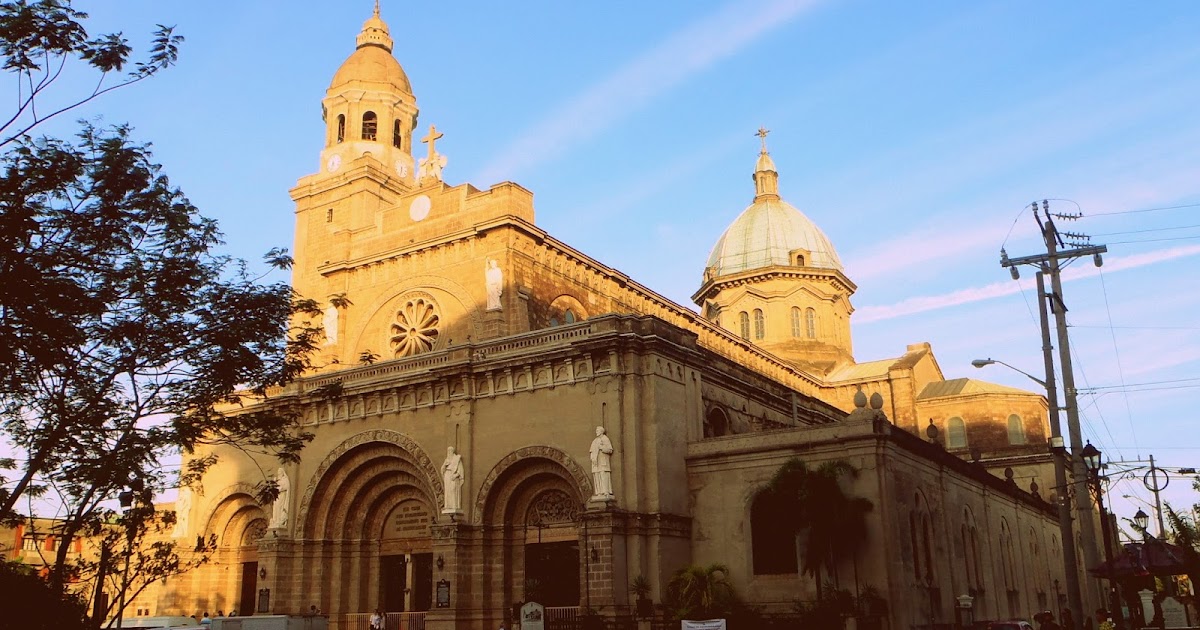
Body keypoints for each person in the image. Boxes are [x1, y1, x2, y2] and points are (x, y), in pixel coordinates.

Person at [589, 426, 614, 498]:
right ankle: (599, 492)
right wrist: (592, 458)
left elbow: (610, 450)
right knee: (597, 475)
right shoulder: (595, 441)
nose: (596, 431)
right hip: (595, 461)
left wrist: (602, 448)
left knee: (603, 474)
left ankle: (605, 491)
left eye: (597, 430)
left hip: (602, 460)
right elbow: (591, 451)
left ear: (601, 431)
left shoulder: (605, 439)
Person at [441, 446, 464, 513]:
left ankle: (454, 506)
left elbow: (460, 470)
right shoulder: (446, 460)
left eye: (450, 451)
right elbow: (442, 469)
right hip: (447, 476)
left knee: (453, 490)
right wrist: (445, 465)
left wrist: (456, 475)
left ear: (452, 451)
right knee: (448, 491)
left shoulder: (457, 459)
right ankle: (448, 506)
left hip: (453, 476)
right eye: (448, 451)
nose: (449, 452)